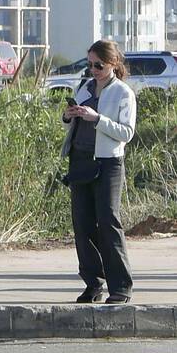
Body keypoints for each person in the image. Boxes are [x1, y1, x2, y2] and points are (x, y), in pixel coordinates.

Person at [61, 40, 136, 304]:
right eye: (90, 64)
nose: (93, 69)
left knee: (108, 222)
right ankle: (93, 283)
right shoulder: (85, 87)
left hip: (107, 163)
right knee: (82, 224)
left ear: (113, 64)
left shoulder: (123, 93)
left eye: (98, 65)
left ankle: (121, 288)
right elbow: (73, 120)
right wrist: (71, 115)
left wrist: (97, 119)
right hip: (80, 160)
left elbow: (126, 132)